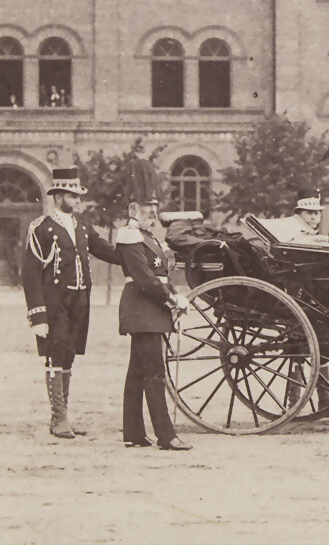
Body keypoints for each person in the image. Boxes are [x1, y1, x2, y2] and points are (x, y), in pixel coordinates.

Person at [22, 167, 120, 440]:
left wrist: (134, 255)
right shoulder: (40, 228)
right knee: (55, 352)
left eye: (78, 196)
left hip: (80, 298)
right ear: (59, 196)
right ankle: (59, 418)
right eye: (73, 196)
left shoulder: (83, 226)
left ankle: (62, 417)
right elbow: (30, 274)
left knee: (69, 353)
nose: (78, 201)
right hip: (55, 302)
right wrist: (38, 315)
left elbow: (105, 250)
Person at [115, 159, 192, 450]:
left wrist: (175, 294)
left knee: (137, 372)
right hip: (142, 310)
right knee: (155, 373)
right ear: (134, 210)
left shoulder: (148, 237)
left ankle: (134, 433)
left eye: (155, 211)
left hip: (149, 311)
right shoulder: (130, 236)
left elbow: (160, 274)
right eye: (149, 211)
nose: (153, 216)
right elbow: (146, 280)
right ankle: (166, 436)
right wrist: (172, 299)